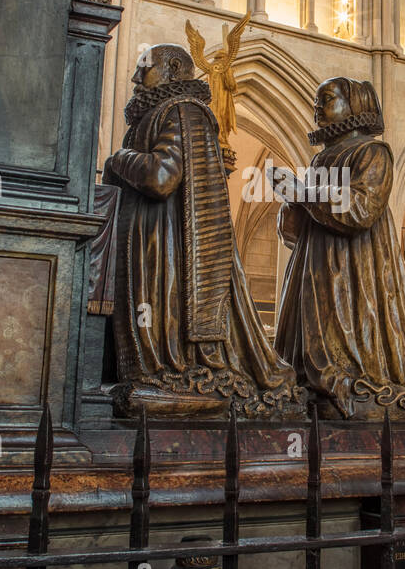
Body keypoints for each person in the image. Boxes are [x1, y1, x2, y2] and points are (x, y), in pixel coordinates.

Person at [103, 44, 302, 419]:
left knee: (166, 336)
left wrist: (118, 159)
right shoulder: (161, 112)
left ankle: (175, 375)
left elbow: (162, 176)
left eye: (143, 68)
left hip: (171, 247)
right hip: (154, 241)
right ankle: (159, 376)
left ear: (174, 68)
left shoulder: (183, 110)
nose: (134, 78)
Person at [274, 77, 405, 420]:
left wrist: (304, 193)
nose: (317, 107)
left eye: (326, 100)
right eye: (317, 101)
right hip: (314, 264)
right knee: (313, 337)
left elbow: (361, 209)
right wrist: (291, 201)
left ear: (354, 104)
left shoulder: (372, 152)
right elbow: (296, 233)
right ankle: (312, 383)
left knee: (346, 329)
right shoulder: (320, 161)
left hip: (354, 263)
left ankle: (352, 380)